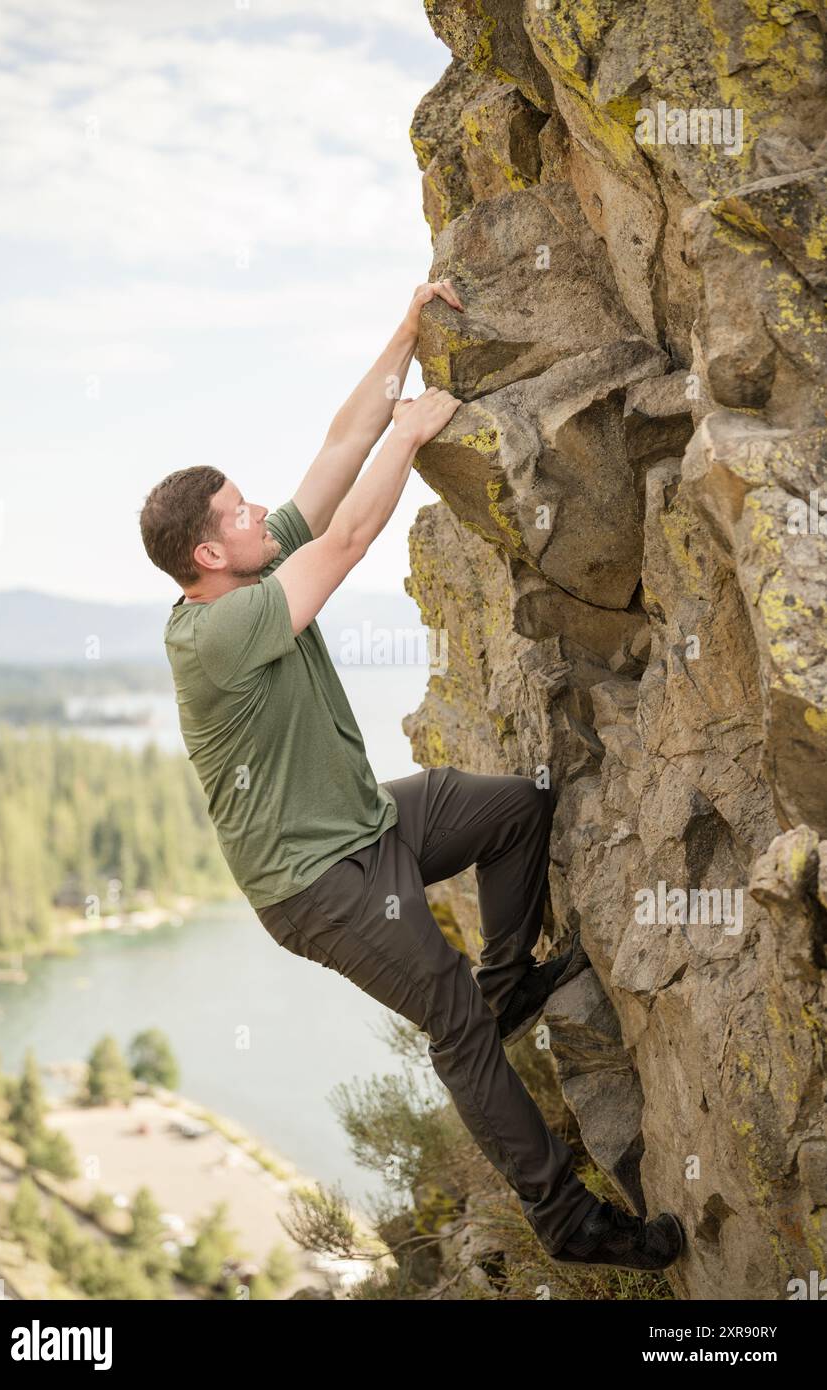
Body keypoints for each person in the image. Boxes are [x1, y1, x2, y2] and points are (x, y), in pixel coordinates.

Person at [139, 279, 684, 1272]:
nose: (258, 506)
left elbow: (337, 449)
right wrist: (417, 430)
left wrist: (403, 335)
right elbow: (347, 538)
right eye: (237, 508)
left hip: (367, 824)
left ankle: (508, 978)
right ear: (206, 554)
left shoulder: (250, 569)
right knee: (453, 1026)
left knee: (517, 810)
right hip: (317, 886)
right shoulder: (217, 630)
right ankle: (567, 1222)